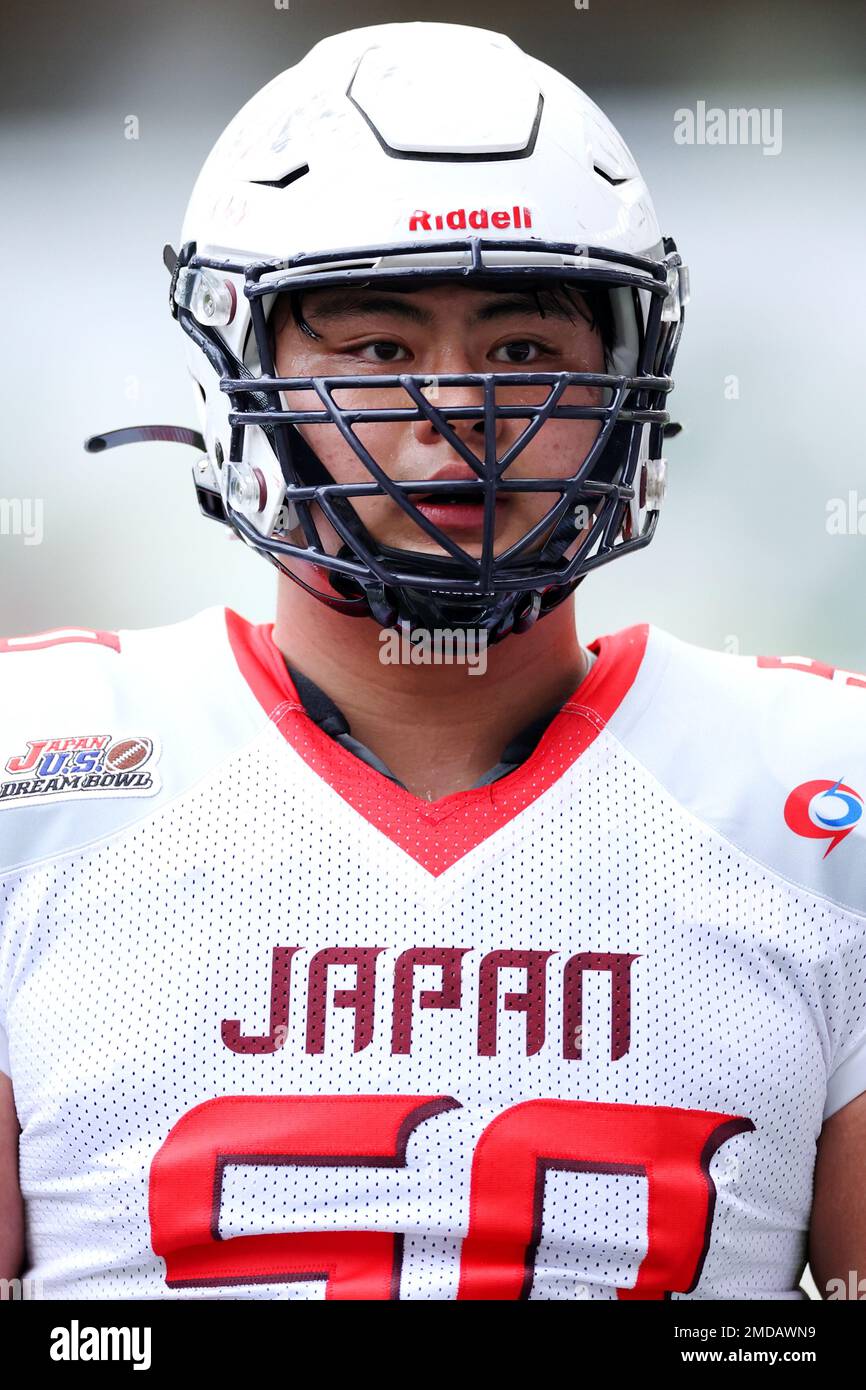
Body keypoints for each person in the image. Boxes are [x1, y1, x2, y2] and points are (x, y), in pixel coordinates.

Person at [0, 20, 863, 1302]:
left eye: (522, 351)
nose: (459, 411)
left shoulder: (821, 795)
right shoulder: (42, 774)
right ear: (243, 379)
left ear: (628, 371)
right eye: (378, 350)